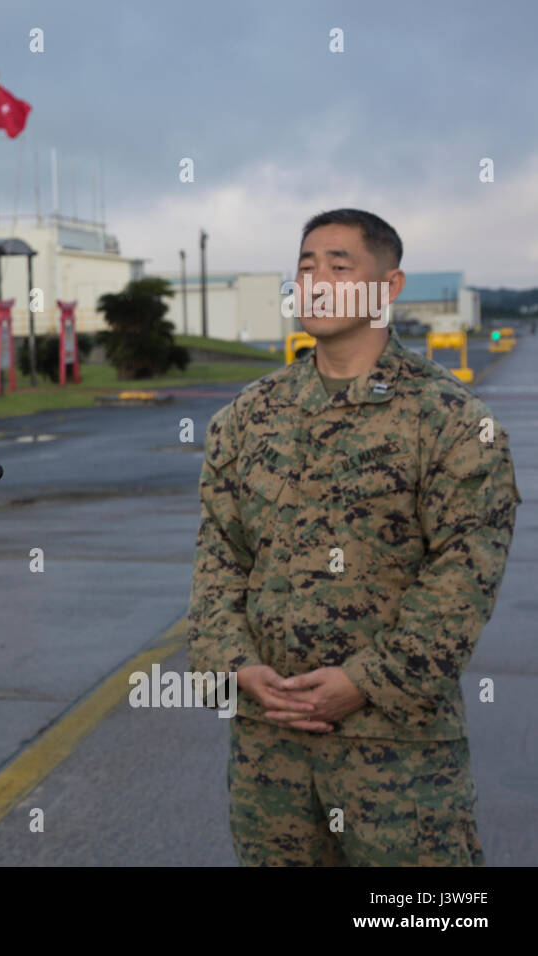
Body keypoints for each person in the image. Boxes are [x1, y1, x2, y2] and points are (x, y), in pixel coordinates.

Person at [188, 208, 520, 865]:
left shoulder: (451, 421)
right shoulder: (247, 419)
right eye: (305, 266)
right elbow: (219, 563)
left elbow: (461, 582)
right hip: (270, 752)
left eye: (339, 266)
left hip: (397, 756)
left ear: (388, 286)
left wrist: (364, 680)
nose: (314, 280)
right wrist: (238, 669)